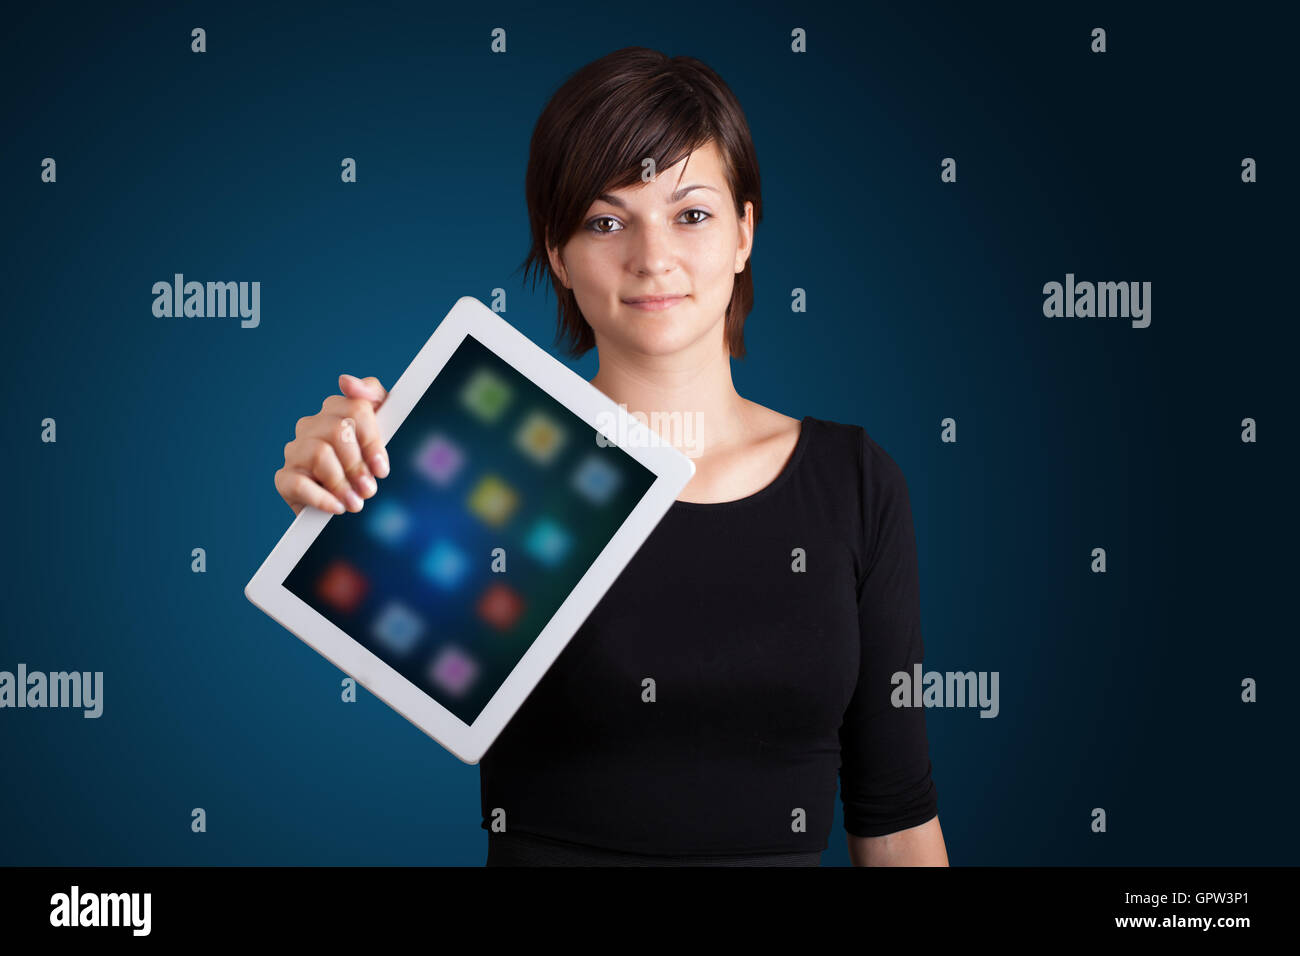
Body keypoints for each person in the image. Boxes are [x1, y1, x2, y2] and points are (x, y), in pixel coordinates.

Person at [274, 47, 948, 867]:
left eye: (691, 214)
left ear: (745, 231)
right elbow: (381, 603)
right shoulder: (500, 468)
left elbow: (898, 820)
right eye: (605, 220)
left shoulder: (855, 483)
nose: (651, 256)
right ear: (557, 255)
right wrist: (340, 488)